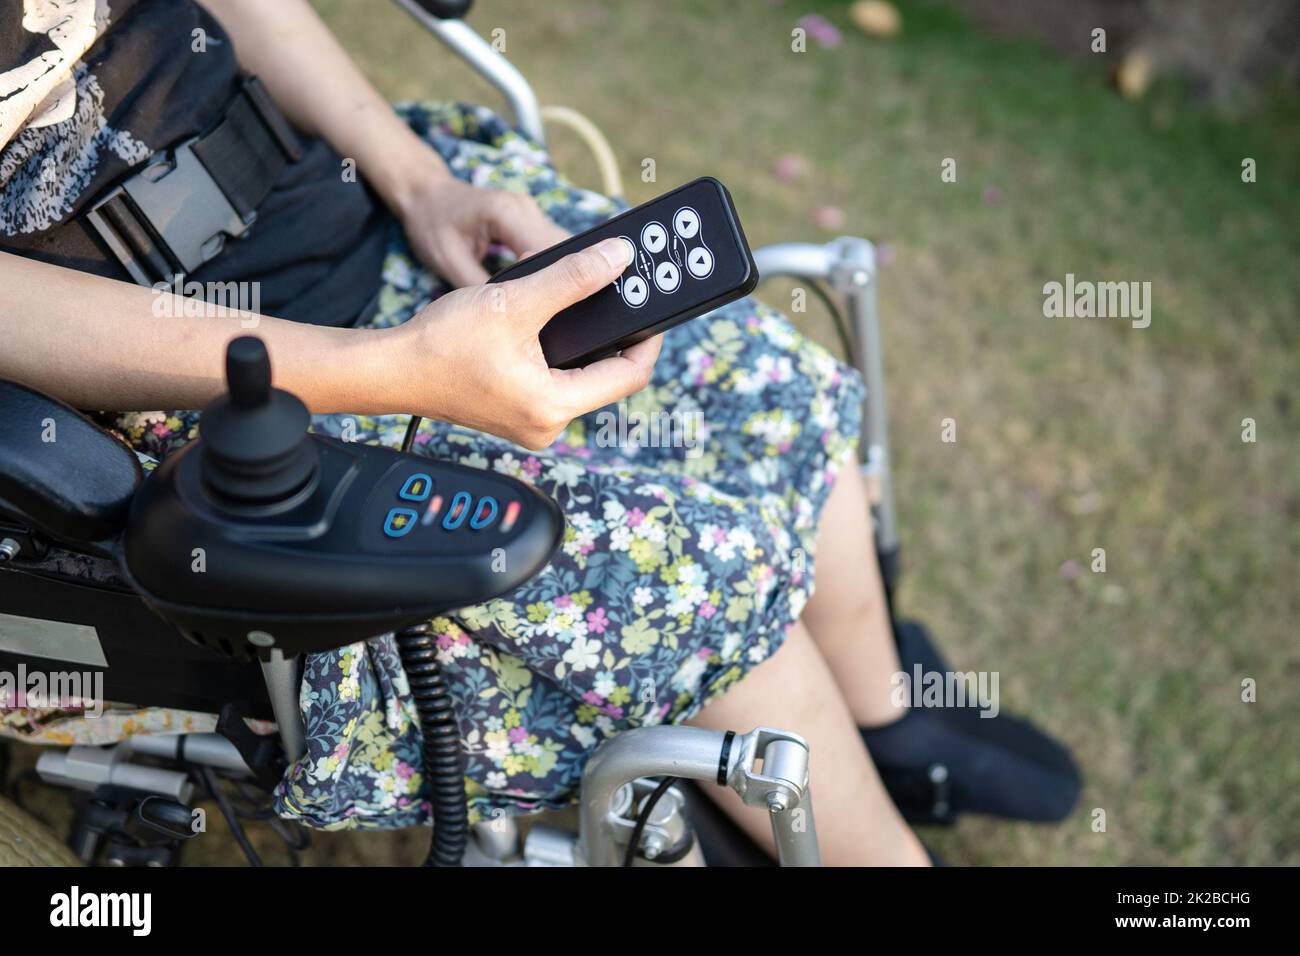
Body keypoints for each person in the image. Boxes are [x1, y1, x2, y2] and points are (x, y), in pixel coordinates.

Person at [0, 0, 1079, 865]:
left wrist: (420, 184)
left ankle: (883, 713)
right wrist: (392, 370)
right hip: (187, 391)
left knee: (762, 380)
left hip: (326, 201)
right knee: (699, 576)